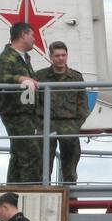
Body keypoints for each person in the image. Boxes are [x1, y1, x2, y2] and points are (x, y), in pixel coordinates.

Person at [34, 41, 89, 184]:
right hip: (46, 125)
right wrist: (38, 122)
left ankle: (71, 204)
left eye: (63, 55)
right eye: (57, 55)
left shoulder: (76, 77)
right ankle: (43, 201)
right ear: (50, 57)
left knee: (70, 169)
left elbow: (83, 104)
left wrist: (77, 125)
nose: (61, 58)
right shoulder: (40, 76)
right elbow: (33, 103)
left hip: (69, 126)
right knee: (42, 168)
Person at [0, 22, 41, 183]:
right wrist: (20, 78)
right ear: (23, 35)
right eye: (32, 35)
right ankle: (30, 191)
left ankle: (12, 191)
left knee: (18, 154)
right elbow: (0, 79)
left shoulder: (24, 58)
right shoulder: (7, 57)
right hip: (15, 112)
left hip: (26, 112)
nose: (34, 39)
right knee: (31, 153)